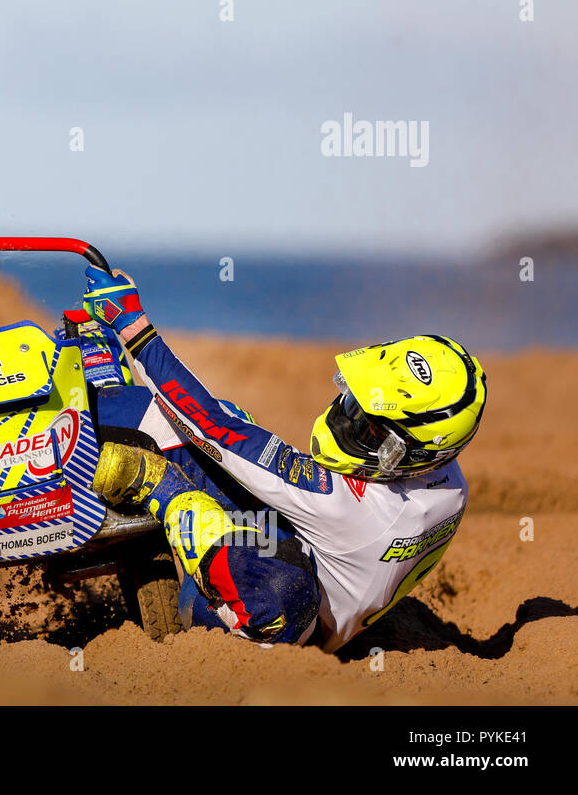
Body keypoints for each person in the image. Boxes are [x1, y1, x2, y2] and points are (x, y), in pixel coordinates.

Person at [81, 268, 486, 651]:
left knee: (270, 573)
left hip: (282, 620)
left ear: (411, 455)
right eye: (353, 404)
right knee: (234, 432)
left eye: (371, 430)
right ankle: (103, 401)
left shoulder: (346, 504)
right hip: (321, 564)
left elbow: (216, 428)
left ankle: (164, 495)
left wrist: (134, 329)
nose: (347, 422)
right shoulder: (449, 485)